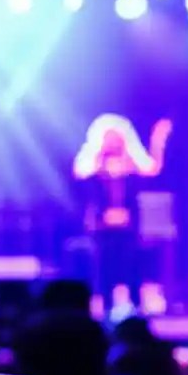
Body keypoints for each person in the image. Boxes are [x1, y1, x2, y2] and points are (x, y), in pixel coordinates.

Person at [73, 114, 172, 317]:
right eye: (109, 137)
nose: (113, 142)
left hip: (128, 227)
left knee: (131, 266)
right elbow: (79, 170)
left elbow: (152, 167)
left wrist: (157, 141)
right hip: (103, 229)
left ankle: (136, 310)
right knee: (106, 267)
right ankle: (107, 308)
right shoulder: (94, 167)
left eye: (117, 137)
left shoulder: (131, 166)